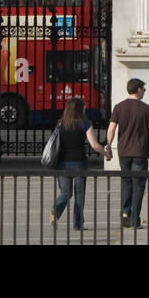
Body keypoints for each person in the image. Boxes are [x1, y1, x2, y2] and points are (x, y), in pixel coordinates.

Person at [105, 78, 149, 229]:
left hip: (124, 151)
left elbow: (111, 129)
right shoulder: (146, 108)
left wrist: (108, 146)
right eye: (143, 89)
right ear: (138, 89)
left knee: (126, 183)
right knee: (139, 186)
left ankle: (125, 213)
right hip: (140, 152)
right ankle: (135, 220)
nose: (144, 92)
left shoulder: (119, 107)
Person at [50, 97, 107, 231]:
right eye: (84, 106)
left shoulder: (60, 124)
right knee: (79, 194)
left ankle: (55, 210)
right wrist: (106, 154)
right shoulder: (85, 123)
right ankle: (77, 224)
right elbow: (94, 145)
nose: (85, 108)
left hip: (62, 163)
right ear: (79, 109)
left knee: (65, 193)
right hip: (79, 163)